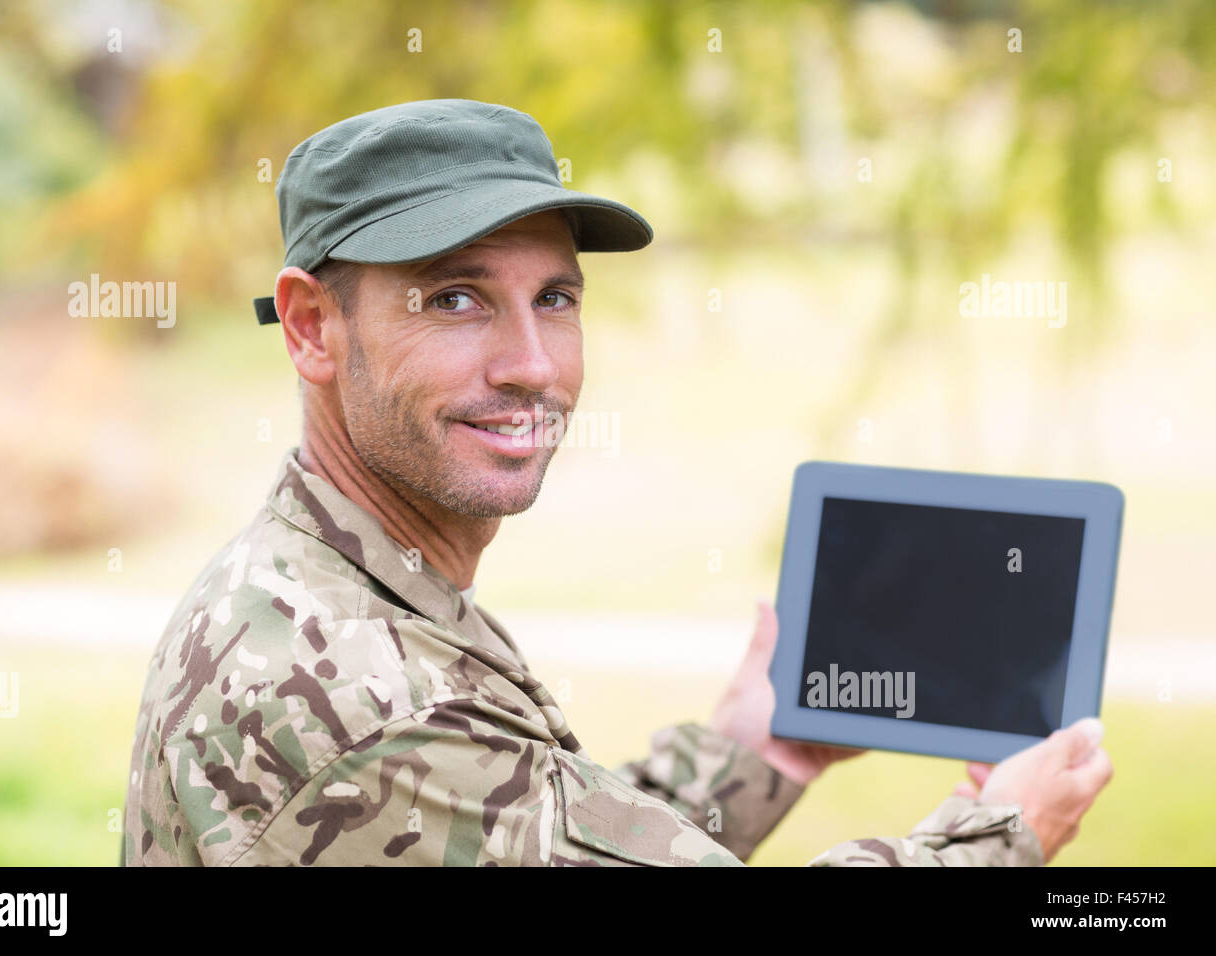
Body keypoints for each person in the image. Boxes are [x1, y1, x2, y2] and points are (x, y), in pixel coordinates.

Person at [121, 99, 1112, 866]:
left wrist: (756, 754)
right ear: (311, 327)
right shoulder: (362, 694)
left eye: (555, 298)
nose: (532, 364)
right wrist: (1000, 832)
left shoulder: (326, 581)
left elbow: (538, 829)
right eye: (455, 298)